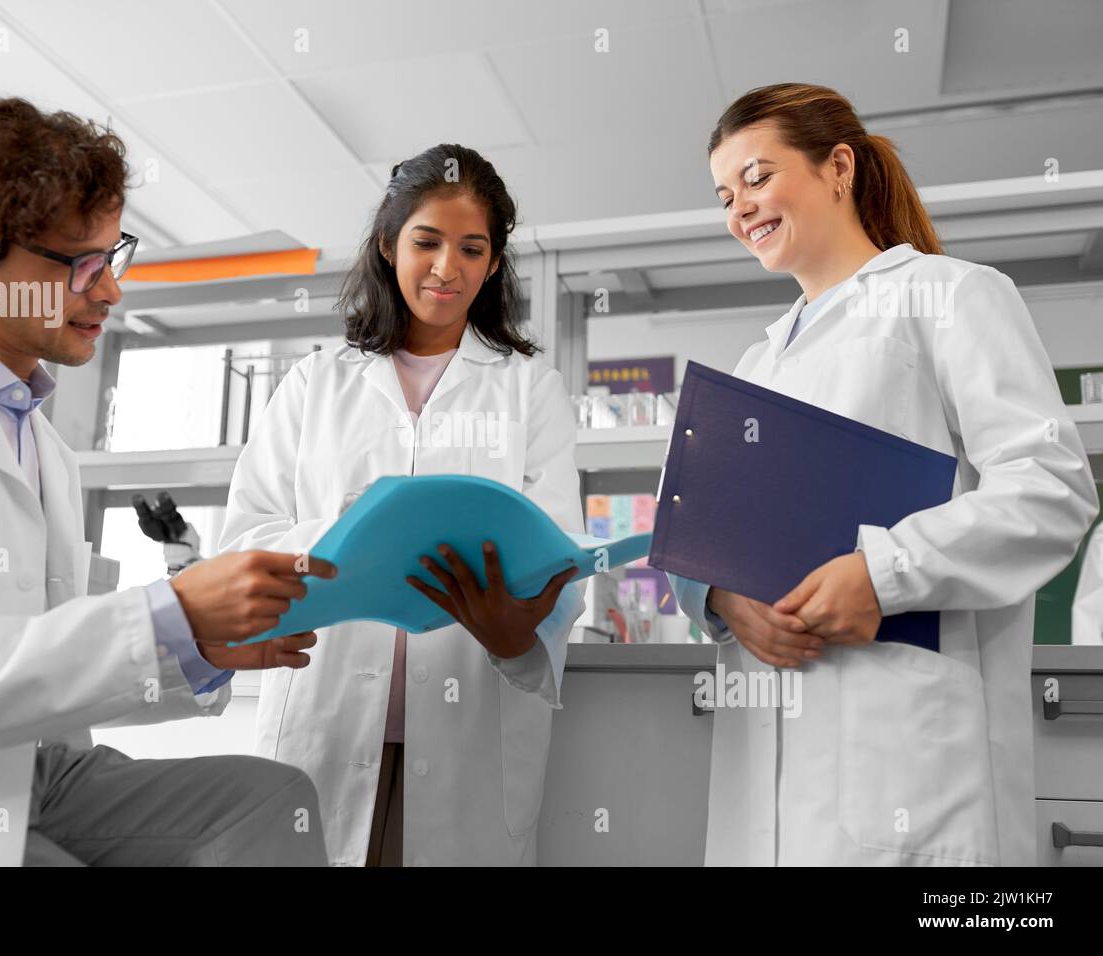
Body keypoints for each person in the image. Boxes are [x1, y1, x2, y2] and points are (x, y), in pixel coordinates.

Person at [0, 96, 334, 866]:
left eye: (113, 258)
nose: (110, 291)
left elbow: (52, 667)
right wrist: (164, 616)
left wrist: (197, 646)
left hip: (36, 770)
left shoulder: (39, 442)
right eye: (80, 263)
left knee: (271, 805)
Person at [670, 82, 1099, 865]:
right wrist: (725, 601)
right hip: (762, 776)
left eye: (758, 177)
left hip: (909, 765)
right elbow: (701, 537)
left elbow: (1050, 488)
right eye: (725, 195)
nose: (740, 209)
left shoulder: (949, 297)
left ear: (838, 166)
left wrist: (883, 573)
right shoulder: (753, 365)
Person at [218, 144, 585, 866]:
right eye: (427, 241)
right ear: (389, 245)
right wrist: (353, 534)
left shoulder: (528, 390)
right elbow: (247, 535)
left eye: (472, 249)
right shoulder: (315, 384)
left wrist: (518, 627)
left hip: (472, 721)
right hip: (323, 717)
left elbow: (561, 553)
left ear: (492, 263)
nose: (448, 268)